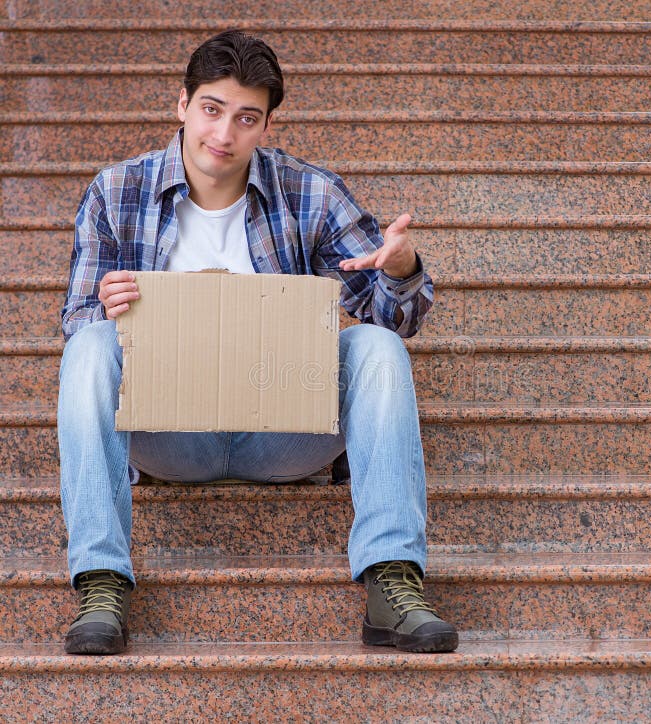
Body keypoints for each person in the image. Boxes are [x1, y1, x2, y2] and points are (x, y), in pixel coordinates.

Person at [58, 29, 458, 655]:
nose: (224, 135)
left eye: (246, 119)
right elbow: (77, 326)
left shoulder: (312, 193)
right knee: (88, 350)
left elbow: (394, 320)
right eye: (212, 110)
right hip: (168, 437)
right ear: (182, 104)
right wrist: (106, 313)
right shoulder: (115, 192)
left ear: (268, 125)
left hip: (284, 433)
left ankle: (391, 582)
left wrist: (401, 269)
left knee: (377, 351)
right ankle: (102, 581)